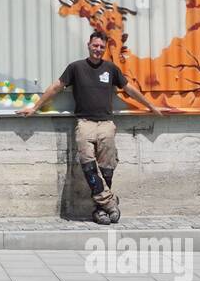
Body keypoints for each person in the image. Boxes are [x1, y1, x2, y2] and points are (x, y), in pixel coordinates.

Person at [19, 31, 163, 224]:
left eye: (102, 47)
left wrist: (151, 106)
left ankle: (99, 210)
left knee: (107, 168)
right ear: (89, 45)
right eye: (95, 46)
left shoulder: (111, 68)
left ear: (105, 49)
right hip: (85, 124)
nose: (98, 50)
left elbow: (129, 89)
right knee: (88, 166)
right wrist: (35, 107)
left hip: (106, 125)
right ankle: (111, 203)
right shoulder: (76, 68)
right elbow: (56, 87)